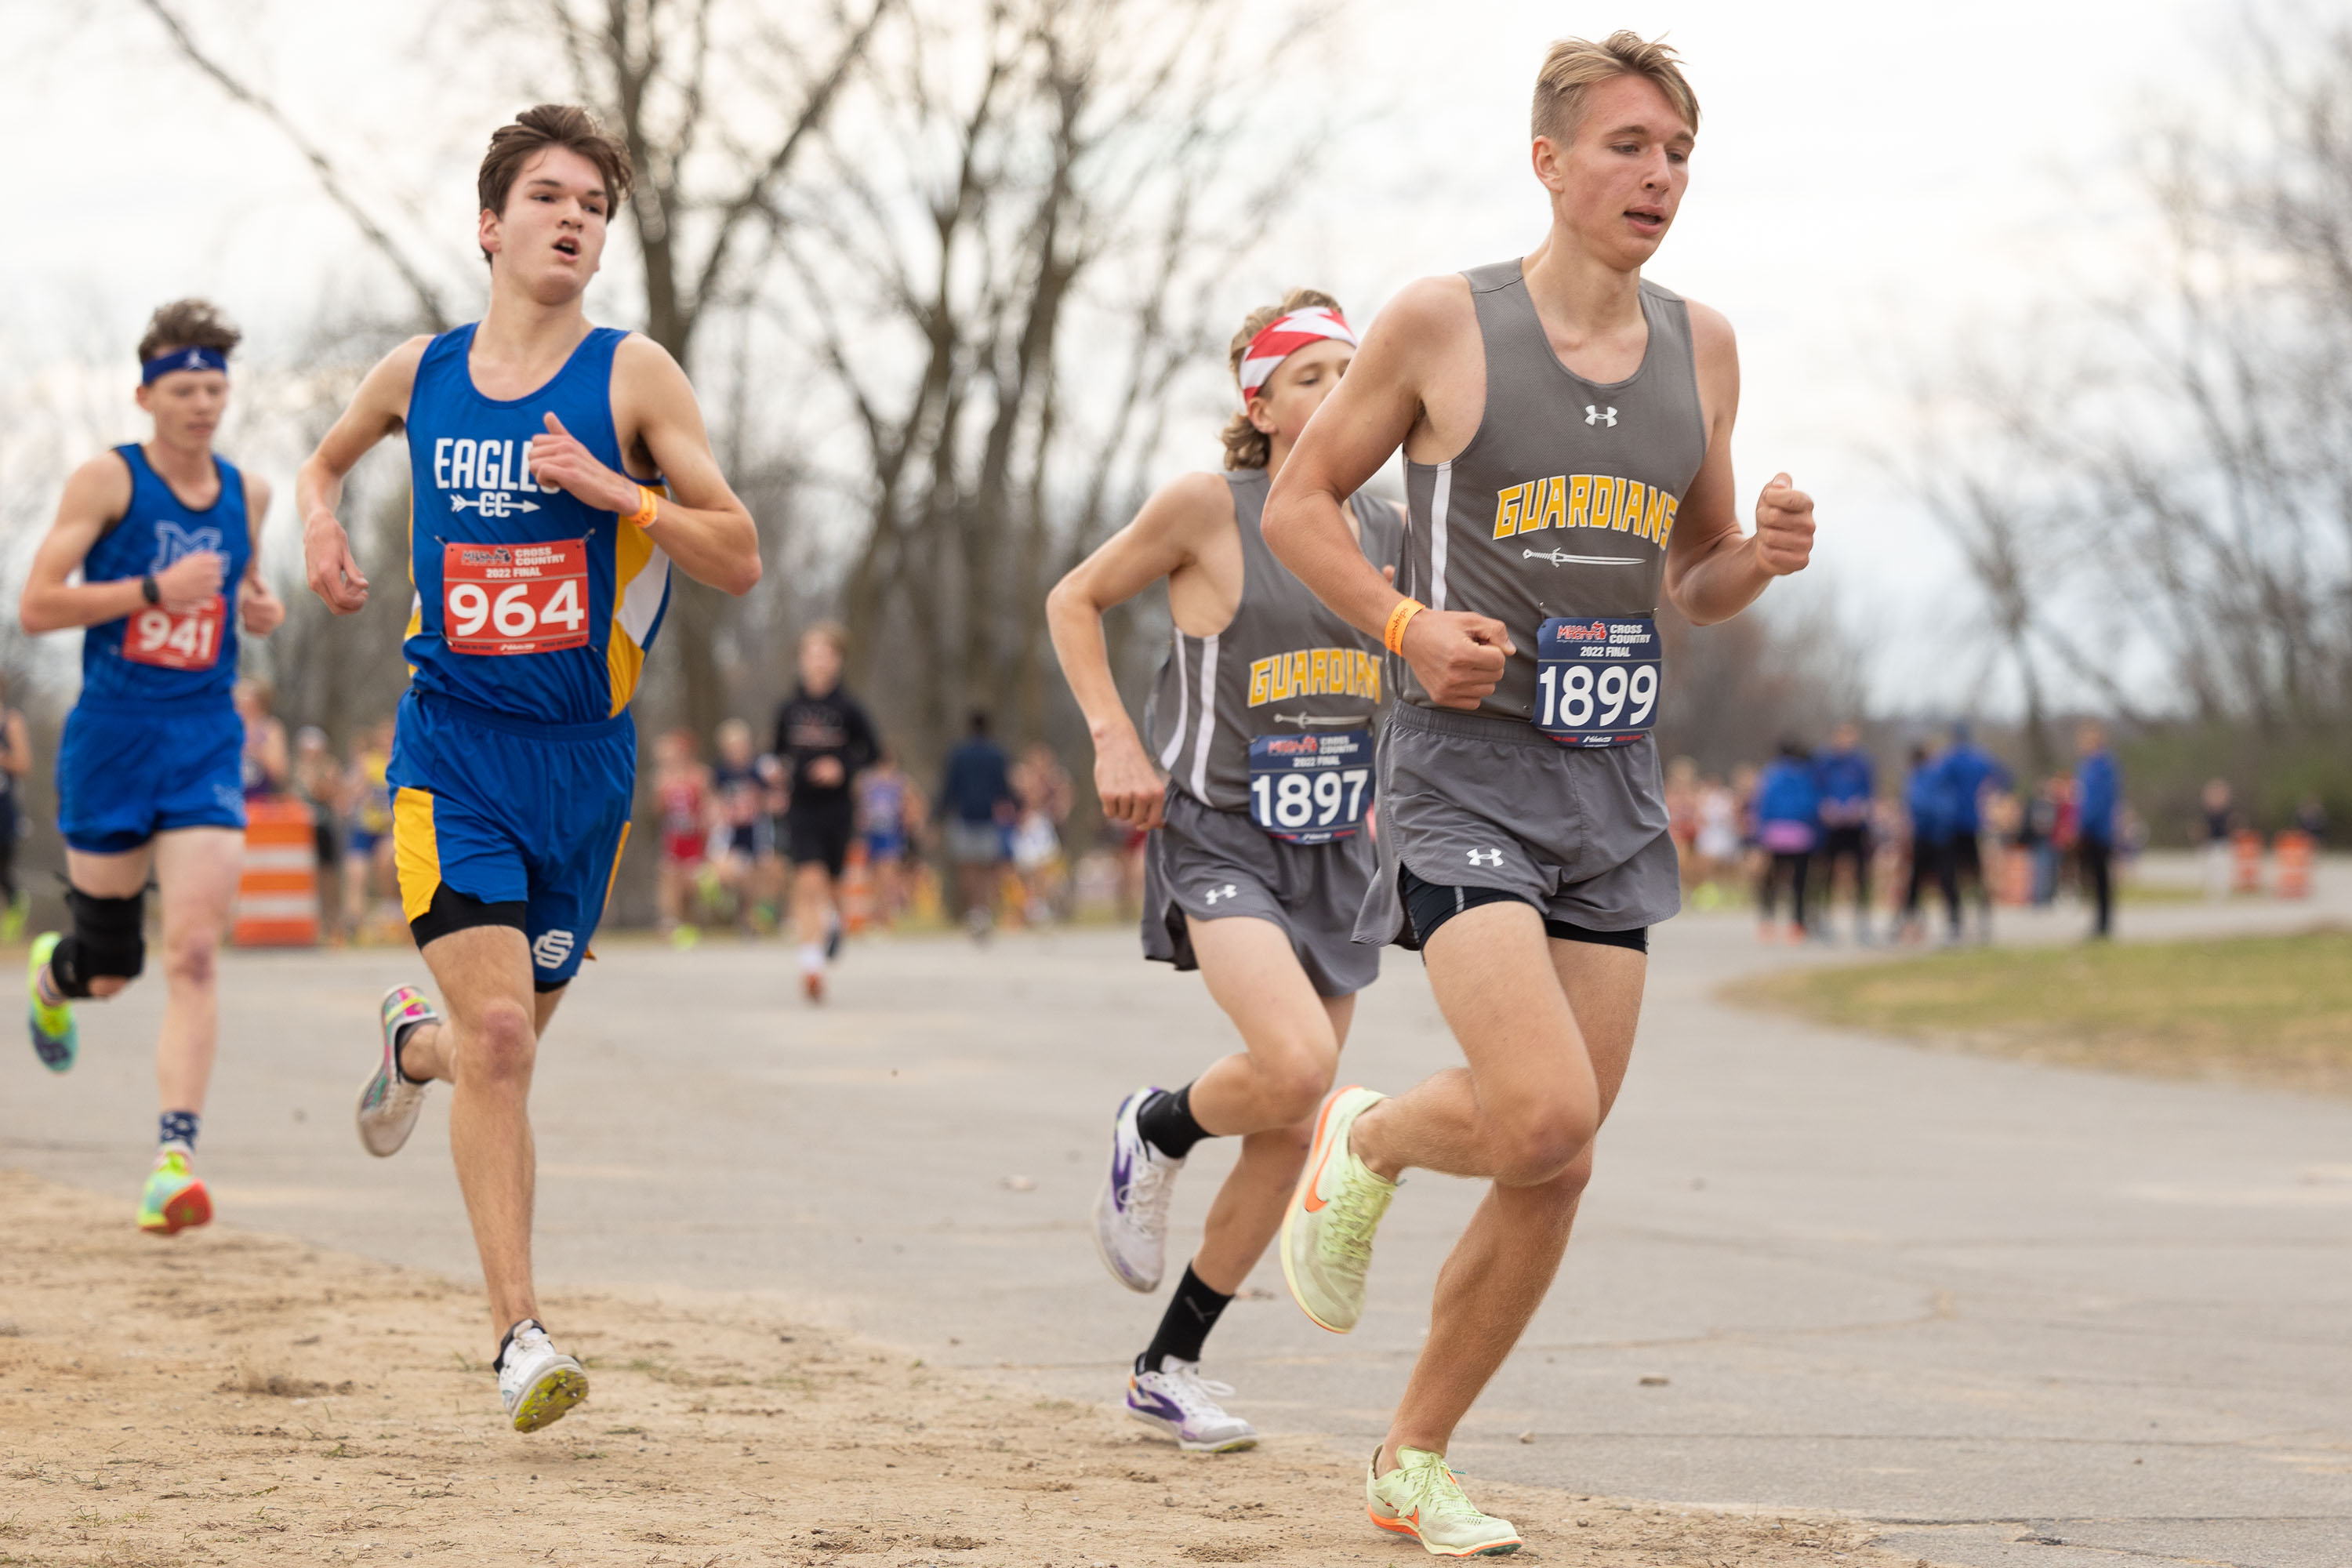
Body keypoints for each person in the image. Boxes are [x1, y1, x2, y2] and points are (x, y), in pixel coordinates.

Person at [1258, 35, 1816, 1555]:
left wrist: (1752, 558)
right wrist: (1403, 626)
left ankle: (1410, 1458)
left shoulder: (1703, 347)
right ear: (1550, 162)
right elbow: (1302, 503)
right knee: (1542, 1103)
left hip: (1611, 785)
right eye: (1631, 145)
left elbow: (1691, 579)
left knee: (1554, 1155)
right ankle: (1365, 1140)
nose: (1660, 175)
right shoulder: (1445, 323)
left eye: (1681, 150)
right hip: (1463, 774)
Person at [296, 104, 760, 1432]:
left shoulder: (633, 379)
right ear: (491, 225)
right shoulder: (419, 371)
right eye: (549, 197)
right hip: (452, 756)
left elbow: (737, 554)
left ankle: (408, 1044)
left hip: (585, 771)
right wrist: (322, 529)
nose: (574, 219)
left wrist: (625, 497)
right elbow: (318, 467)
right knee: (503, 1041)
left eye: (596, 206)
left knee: (495, 1051)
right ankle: (518, 1336)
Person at [1046, 287, 1402, 1455]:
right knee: (1296, 1066)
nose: (1343, 389)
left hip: (1342, 852)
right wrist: (1112, 734)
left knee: (1293, 1125)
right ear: (1260, 403)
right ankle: (1154, 1127)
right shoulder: (1211, 507)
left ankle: (1169, 1365)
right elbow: (1074, 600)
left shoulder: (1393, 529)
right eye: (1314, 376)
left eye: (1356, 369)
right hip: (1222, 833)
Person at [17, 297, 286, 1233]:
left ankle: (173, 1161)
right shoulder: (108, 483)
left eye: (216, 388)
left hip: (205, 738)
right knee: (111, 965)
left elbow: (246, 582)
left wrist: (259, 603)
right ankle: (57, 978)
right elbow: (39, 606)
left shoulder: (250, 494)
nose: (203, 404)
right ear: (146, 395)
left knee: (196, 950)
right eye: (184, 389)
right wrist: (150, 590)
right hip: (113, 737)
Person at [774, 623, 878, 1002]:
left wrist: (842, 768)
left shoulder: (849, 709)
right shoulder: (789, 709)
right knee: (808, 883)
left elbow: (873, 752)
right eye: (810, 654)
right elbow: (777, 753)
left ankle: (834, 923)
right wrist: (773, 776)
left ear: (837, 661)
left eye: (824, 654)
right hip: (801, 807)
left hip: (837, 809)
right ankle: (812, 968)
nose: (816, 662)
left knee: (831, 886)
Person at [937, 711, 1015, 939]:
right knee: (989, 869)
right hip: (989, 818)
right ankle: (985, 912)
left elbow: (949, 788)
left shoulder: (958, 754)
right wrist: (1017, 809)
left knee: (968, 869)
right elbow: (1004, 788)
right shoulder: (997, 755)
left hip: (964, 817)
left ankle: (974, 912)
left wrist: (938, 816)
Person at [1936, 721, 2010, 942]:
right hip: (1974, 823)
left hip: (1952, 825)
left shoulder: (1948, 760)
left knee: (1950, 875)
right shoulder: (1980, 759)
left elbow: (1936, 786)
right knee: (1977, 874)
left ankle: (1955, 922)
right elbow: (2004, 776)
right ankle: (1984, 919)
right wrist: (1990, 796)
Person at [1812, 721, 1875, 941]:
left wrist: (1860, 807)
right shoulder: (1824, 762)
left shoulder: (1861, 763)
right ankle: (1823, 917)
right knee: (1827, 872)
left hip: (1856, 825)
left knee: (1862, 873)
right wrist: (1825, 807)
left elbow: (1868, 791)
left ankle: (1862, 920)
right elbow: (1816, 790)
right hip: (1831, 826)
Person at [708, 717, 770, 936]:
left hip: (754, 830)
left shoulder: (758, 771)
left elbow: (768, 799)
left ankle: (751, 920)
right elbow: (713, 800)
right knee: (727, 873)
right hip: (729, 831)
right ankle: (728, 907)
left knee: (755, 876)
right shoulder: (720, 773)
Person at [1752, 741, 1819, 942]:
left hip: (1774, 835)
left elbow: (1763, 804)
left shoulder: (1771, 774)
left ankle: (1767, 922)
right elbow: (1811, 804)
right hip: (1801, 835)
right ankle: (1797, 924)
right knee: (1799, 883)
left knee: (1770, 881)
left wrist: (1760, 834)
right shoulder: (1805, 775)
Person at [853, 750, 923, 927]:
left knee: (888, 873)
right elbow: (854, 799)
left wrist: (911, 821)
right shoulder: (866, 780)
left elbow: (916, 801)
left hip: (891, 832)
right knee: (874, 874)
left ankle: (884, 913)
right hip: (871, 833)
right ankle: (876, 913)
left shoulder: (899, 781)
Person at [343, 717, 397, 940]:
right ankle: (353, 925)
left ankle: (392, 915)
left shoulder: (403, 762)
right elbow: (350, 793)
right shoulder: (368, 762)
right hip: (365, 828)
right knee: (356, 872)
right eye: (382, 737)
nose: (386, 742)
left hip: (390, 829)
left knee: (386, 860)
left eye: (390, 737)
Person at [1009, 742, 1073, 925]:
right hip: (1025, 827)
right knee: (1024, 870)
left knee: (1043, 870)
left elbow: (1063, 805)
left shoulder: (1057, 779)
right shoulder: (1023, 776)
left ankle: (1040, 907)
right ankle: (1027, 909)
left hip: (1045, 827)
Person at [1898, 742, 1955, 943]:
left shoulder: (1922, 777)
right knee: (1942, 879)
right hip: (1937, 834)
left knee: (1922, 880)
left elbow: (1919, 804)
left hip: (1930, 834)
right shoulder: (1934, 775)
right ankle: (1952, 920)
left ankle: (1913, 919)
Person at [2074, 720, 2119, 939]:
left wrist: (2084, 825)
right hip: (2092, 828)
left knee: (2101, 878)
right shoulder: (2089, 766)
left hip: (2098, 830)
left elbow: (2098, 801)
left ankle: (2104, 923)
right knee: (2094, 879)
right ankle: (2099, 921)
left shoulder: (2102, 766)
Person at [0, 676, 31, 942]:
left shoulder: (11, 721)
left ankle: (14, 909)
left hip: (3, 807)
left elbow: (23, 764)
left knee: (3, 867)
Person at [235, 678, 290, 798]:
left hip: (260, 800)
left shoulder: (270, 728)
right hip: (232, 796)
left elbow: (279, 772)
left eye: (249, 696)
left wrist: (255, 747)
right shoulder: (231, 726)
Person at [2198, 778, 2234, 901]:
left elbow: (2231, 828)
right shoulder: (2207, 813)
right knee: (2210, 870)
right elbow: (2204, 829)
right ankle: (2211, 895)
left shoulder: (2227, 813)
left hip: (2223, 843)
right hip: (2211, 844)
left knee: (2223, 870)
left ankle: (2222, 894)